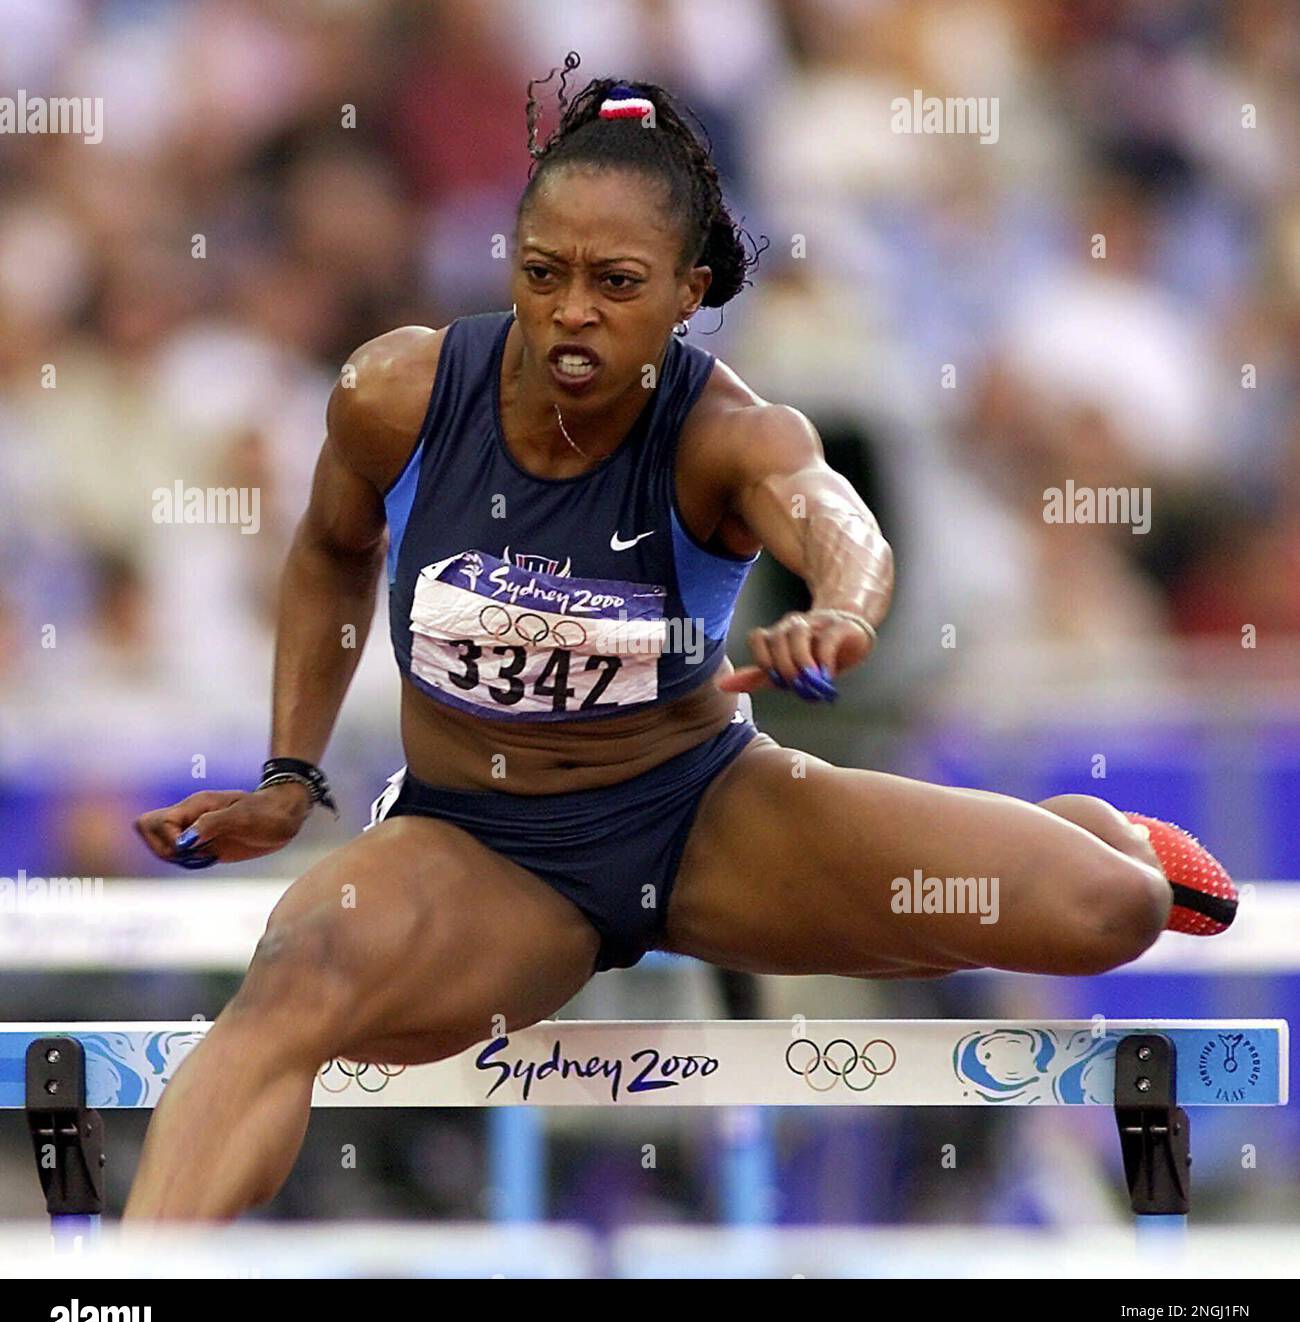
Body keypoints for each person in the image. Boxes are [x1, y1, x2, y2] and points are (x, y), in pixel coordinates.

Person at [125, 73, 1217, 1221]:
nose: (571, 313)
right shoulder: (397, 392)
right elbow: (329, 552)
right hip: (481, 846)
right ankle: (123, 1304)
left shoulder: (728, 433)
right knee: (294, 980)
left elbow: (838, 521)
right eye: (542, 274)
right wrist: (291, 775)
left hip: (703, 822)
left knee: (1113, 908)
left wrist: (840, 610)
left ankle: (1083, 828)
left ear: (690, 292)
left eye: (617, 284)